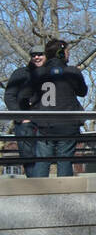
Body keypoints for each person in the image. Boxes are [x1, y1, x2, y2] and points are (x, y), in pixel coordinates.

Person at [29, 38, 87, 177]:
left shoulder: (38, 73)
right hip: (68, 123)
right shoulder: (72, 72)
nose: (69, 55)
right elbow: (82, 91)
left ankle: (36, 193)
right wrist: (76, 74)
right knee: (65, 160)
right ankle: (64, 193)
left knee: (42, 161)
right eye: (67, 52)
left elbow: (25, 95)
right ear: (61, 53)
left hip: (44, 124)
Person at [4, 47, 44, 177]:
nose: (36, 57)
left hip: (46, 124)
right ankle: (34, 189)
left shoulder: (52, 75)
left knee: (45, 159)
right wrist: (22, 117)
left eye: (40, 54)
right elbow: (9, 96)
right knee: (29, 158)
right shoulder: (20, 73)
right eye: (34, 55)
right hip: (25, 124)